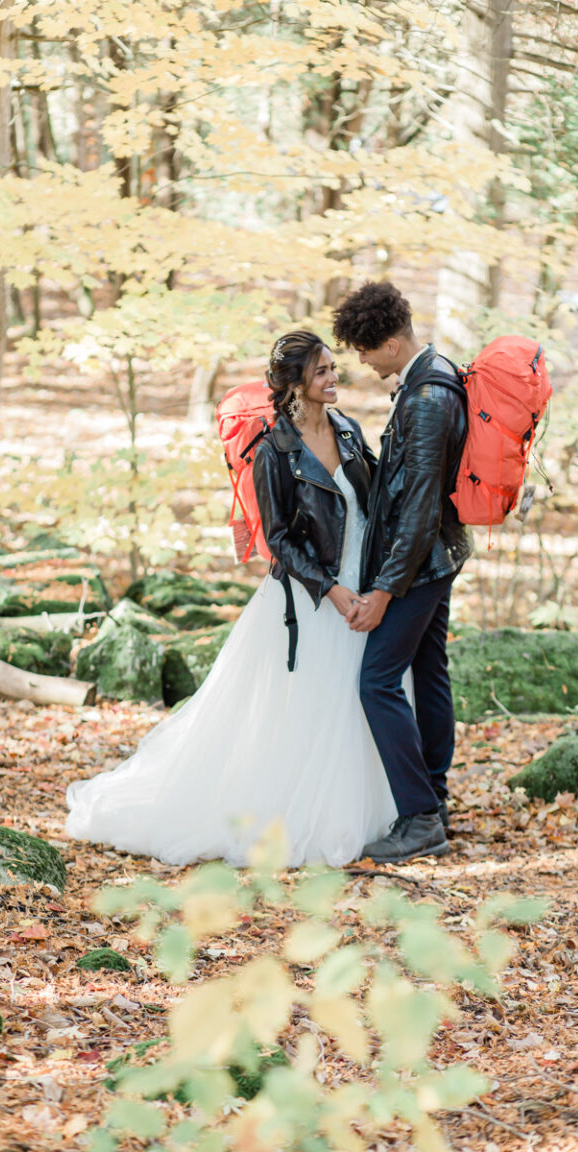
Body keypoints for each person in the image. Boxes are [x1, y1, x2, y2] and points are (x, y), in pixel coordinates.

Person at [65, 330, 396, 867]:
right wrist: (332, 591)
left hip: (364, 590)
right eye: (322, 372)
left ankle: (364, 814)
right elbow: (283, 542)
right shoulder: (273, 451)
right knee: (304, 707)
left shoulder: (351, 433)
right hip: (309, 603)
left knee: (357, 699)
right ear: (294, 385)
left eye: (334, 368)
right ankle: (292, 814)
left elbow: (377, 503)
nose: (334, 378)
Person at [332, 281, 473, 863]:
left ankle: (418, 816)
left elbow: (416, 506)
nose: (361, 361)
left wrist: (386, 589)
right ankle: (433, 800)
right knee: (428, 670)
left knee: (377, 682)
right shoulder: (431, 375)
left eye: (365, 350)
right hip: (438, 555)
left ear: (391, 341)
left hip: (421, 562)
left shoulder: (425, 398)